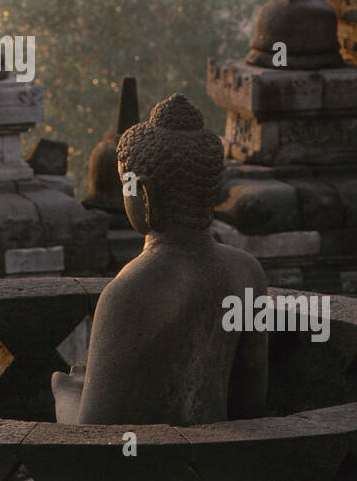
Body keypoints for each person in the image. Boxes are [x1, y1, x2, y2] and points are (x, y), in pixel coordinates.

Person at [52, 93, 268, 425]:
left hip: (143, 472)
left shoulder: (128, 292)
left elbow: (93, 440)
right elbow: (251, 406)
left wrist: (67, 391)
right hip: (221, 467)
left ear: (145, 195)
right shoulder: (246, 272)